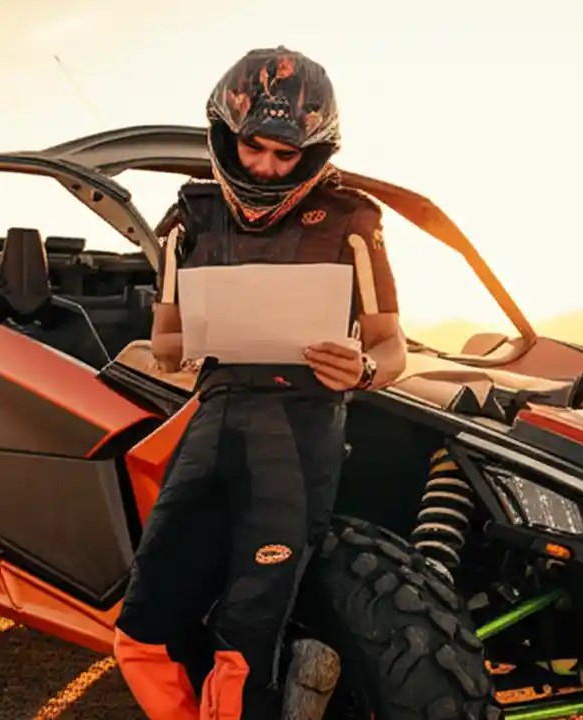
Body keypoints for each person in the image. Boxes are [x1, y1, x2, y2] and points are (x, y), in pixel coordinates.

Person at [112, 46, 407, 719]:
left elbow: (392, 348)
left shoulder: (353, 223)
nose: (267, 167)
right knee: (140, 638)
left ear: (314, 152)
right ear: (225, 134)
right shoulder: (190, 220)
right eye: (255, 149)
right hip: (213, 421)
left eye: (285, 154)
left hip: (300, 437)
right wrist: (191, 346)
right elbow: (164, 343)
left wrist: (362, 369)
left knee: (244, 642)